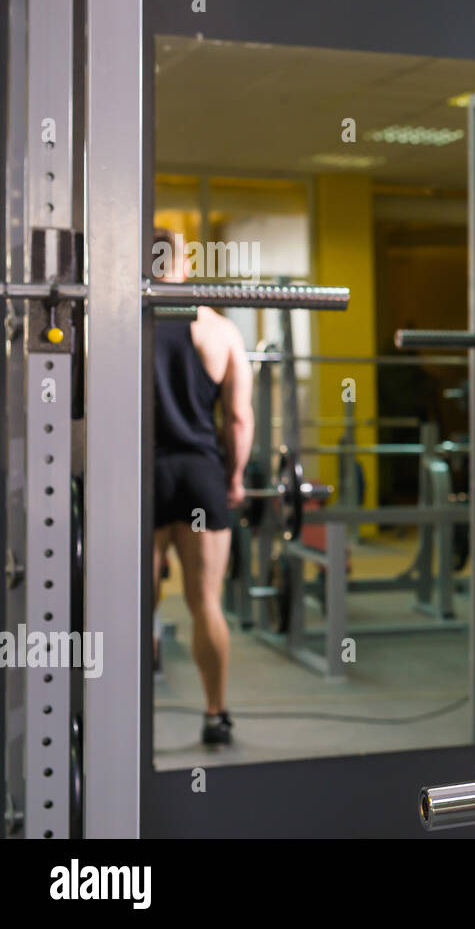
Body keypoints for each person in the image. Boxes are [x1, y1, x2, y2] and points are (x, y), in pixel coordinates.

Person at [151, 227, 253, 747]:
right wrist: (234, 478)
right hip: (199, 475)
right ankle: (215, 715)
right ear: (185, 261)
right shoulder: (219, 330)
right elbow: (237, 417)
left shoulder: (124, 325)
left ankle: (124, 711)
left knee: (131, 601)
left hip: (139, 475)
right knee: (205, 602)